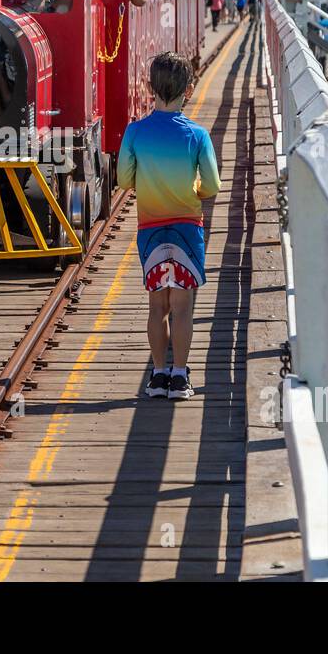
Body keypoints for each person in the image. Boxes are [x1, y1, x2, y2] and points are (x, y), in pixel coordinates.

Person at [117, 52, 220, 401]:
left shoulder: (135, 131)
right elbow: (212, 186)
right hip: (188, 229)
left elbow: (124, 180)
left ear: (150, 87)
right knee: (183, 308)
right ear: (188, 90)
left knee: (156, 307)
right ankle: (180, 376)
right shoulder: (197, 135)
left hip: (150, 229)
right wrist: (191, 189)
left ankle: (158, 374)